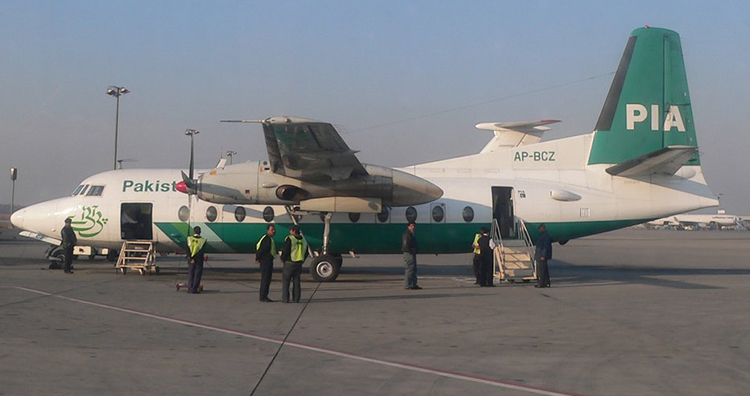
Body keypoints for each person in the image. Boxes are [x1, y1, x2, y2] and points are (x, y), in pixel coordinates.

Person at [280, 225, 308, 303]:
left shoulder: (290, 239)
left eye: (290, 230)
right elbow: (306, 252)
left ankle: (285, 299)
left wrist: (283, 259)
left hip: (289, 262)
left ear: (293, 231)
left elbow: (286, 250)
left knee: (286, 281)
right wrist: (302, 260)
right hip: (299, 263)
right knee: (297, 281)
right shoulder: (304, 240)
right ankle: (296, 298)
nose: (290, 232)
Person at [255, 224, 277, 302]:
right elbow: (262, 250)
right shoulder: (267, 239)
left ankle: (264, 296)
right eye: (272, 230)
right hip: (266, 262)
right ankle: (263, 296)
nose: (274, 231)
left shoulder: (268, 239)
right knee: (265, 279)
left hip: (267, 261)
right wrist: (258, 258)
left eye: (274, 230)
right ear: (267, 230)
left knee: (266, 279)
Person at [186, 226, 206, 294]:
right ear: (200, 232)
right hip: (198, 260)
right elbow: (201, 251)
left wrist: (191, 258)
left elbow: (187, 249)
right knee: (197, 274)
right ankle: (194, 289)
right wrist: (195, 258)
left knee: (191, 273)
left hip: (191, 259)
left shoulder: (189, 239)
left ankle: (190, 288)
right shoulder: (203, 241)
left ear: (194, 231)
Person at [402, 222, 421, 290]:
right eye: (412, 226)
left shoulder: (411, 233)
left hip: (411, 253)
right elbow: (406, 245)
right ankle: (408, 285)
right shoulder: (407, 234)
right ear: (408, 226)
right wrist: (411, 251)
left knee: (413, 269)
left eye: (414, 226)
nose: (413, 227)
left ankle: (413, 284)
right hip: (409, 253)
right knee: (409, 269)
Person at [534, 223, 552, 288]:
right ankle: (546, 282)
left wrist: (543, 256)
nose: (539, 229)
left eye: (540, 228)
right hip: (540, 254)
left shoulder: (545, 236)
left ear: (543, 228)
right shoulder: (543, 235)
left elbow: (545, 247)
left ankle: (541, 283)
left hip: (542, 255)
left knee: (541, 270)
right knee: (545, 270)